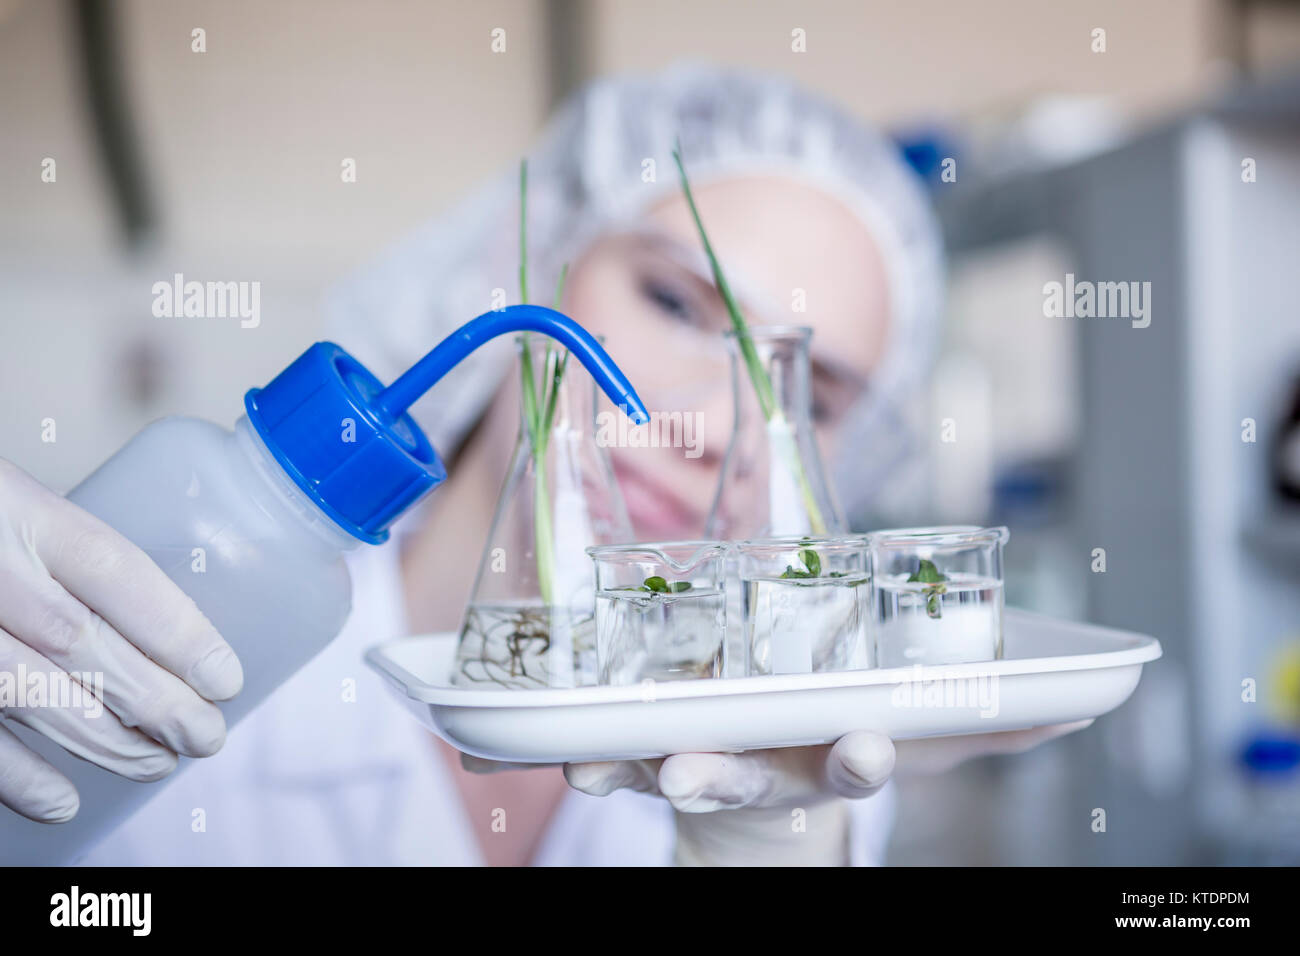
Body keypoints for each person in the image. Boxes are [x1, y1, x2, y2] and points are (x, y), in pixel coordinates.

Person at [1, 65, 1088, 866]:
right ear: (518, 277)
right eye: (675, 302)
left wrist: (770, 841)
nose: (717, 426)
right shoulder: (175, 624)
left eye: (811, 391)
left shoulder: (799, 758)